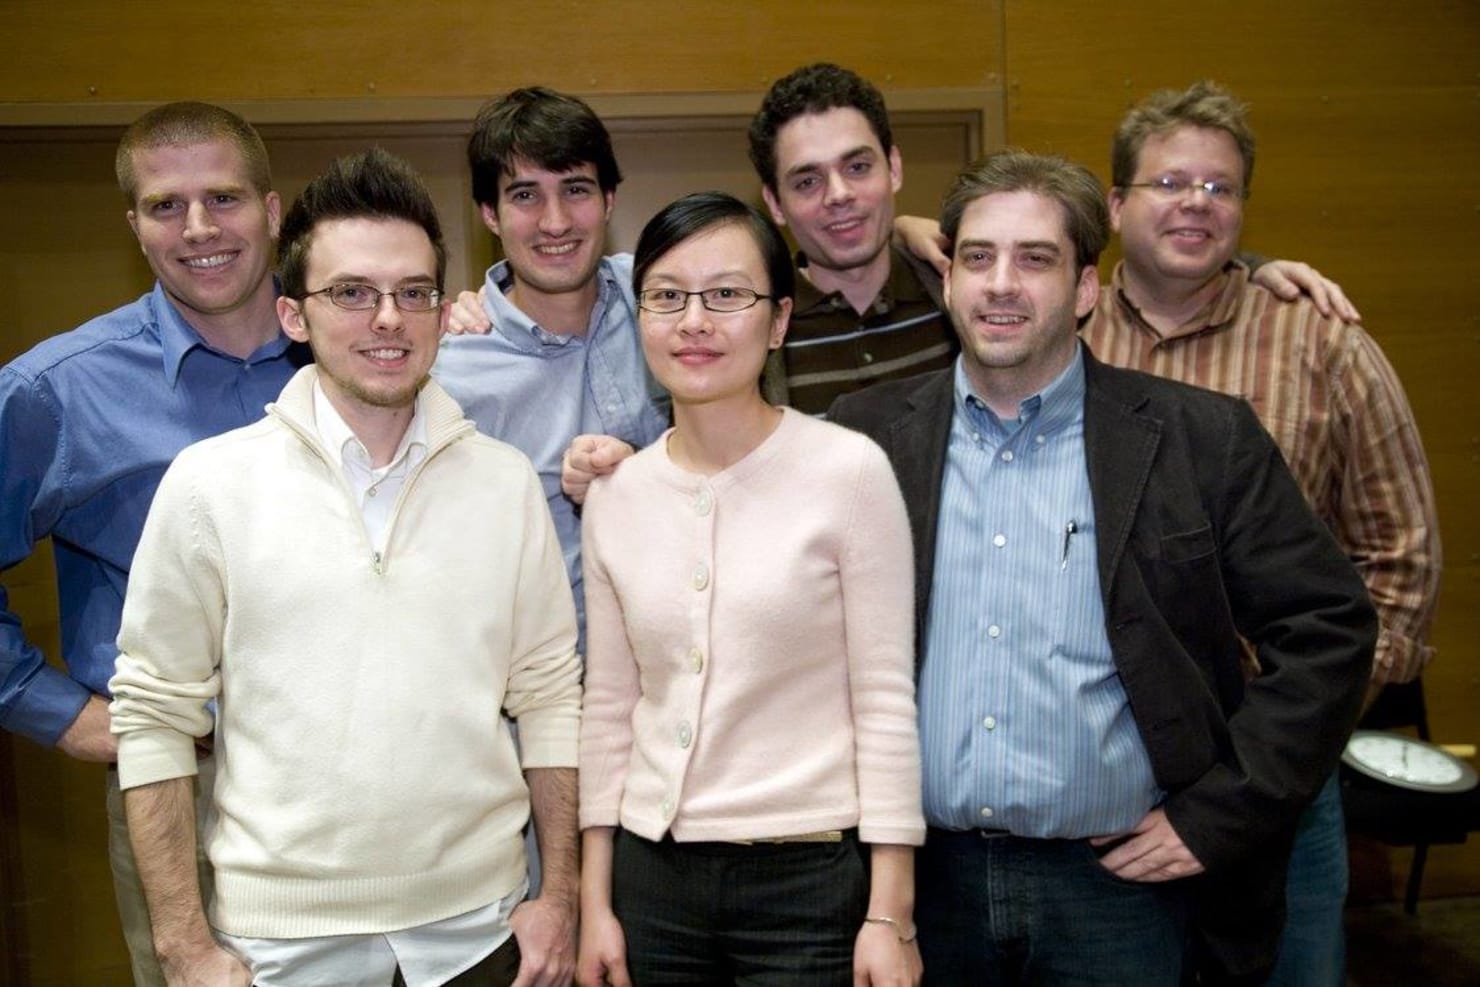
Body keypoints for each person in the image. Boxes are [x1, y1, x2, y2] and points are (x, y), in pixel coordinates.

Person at [828, 150, 1375, 986]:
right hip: (918, 887)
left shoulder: (1202, 438)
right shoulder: (862, 437)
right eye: (978, 257)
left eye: (1035, 258)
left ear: (1087, 288)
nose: (1001, 283)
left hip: (1121, 893)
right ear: (949, 282)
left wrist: (1219, 815)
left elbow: (1329, 630)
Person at [108, 149, 582, 987]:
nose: (388, 319)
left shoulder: (505, 481)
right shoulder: (212, 484)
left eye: (413, 292)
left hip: (479, 937)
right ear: (295, 315)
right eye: (352, 293)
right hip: (279, 954)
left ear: (443, 307)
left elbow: (548, 697)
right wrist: (183, 945)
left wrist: (561, 899)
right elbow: (151, 718)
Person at [1083, 81, 1442, 986]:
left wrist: (1300, 729)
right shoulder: (1059, 337)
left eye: (1221, 188)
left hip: (1279, 776)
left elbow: (1400, 558)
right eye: (1170, 184)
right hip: (1102, 771)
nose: (1197, 205)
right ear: (1116, 204)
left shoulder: (1322, 343)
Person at [576, 192, 924, 987]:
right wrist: (597, 901)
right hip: (651, 881)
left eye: (727, 295)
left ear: (777, 321)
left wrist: (890, 911)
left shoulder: (850, 471)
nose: (694, 321)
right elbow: (607, 710)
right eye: (667, 296)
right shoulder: (617, 495)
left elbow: (884, 698)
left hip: (808, 883)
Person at [0, 101, 305, 986]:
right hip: (189, 783)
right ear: (133, 225)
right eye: (167, 205)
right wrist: (63, 714)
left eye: (225, 197)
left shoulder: (351, 350)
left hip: (378, 774)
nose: (200, 228)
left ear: (273, 209)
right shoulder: (56, 392)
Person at [432, 86, 669, 649]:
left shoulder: (668, 301)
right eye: (525, 196)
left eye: (576, 189)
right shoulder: (449, 376)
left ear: (610, 198)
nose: (556, 221)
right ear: (490, 213)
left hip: (685, 681)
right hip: (540, 701)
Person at [748, 62, 955, 413]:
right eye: (807, 181)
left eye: (857, 167)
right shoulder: (754, 341)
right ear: (775, 204)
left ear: (893, 168)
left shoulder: (959, 291)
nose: (839, 194)